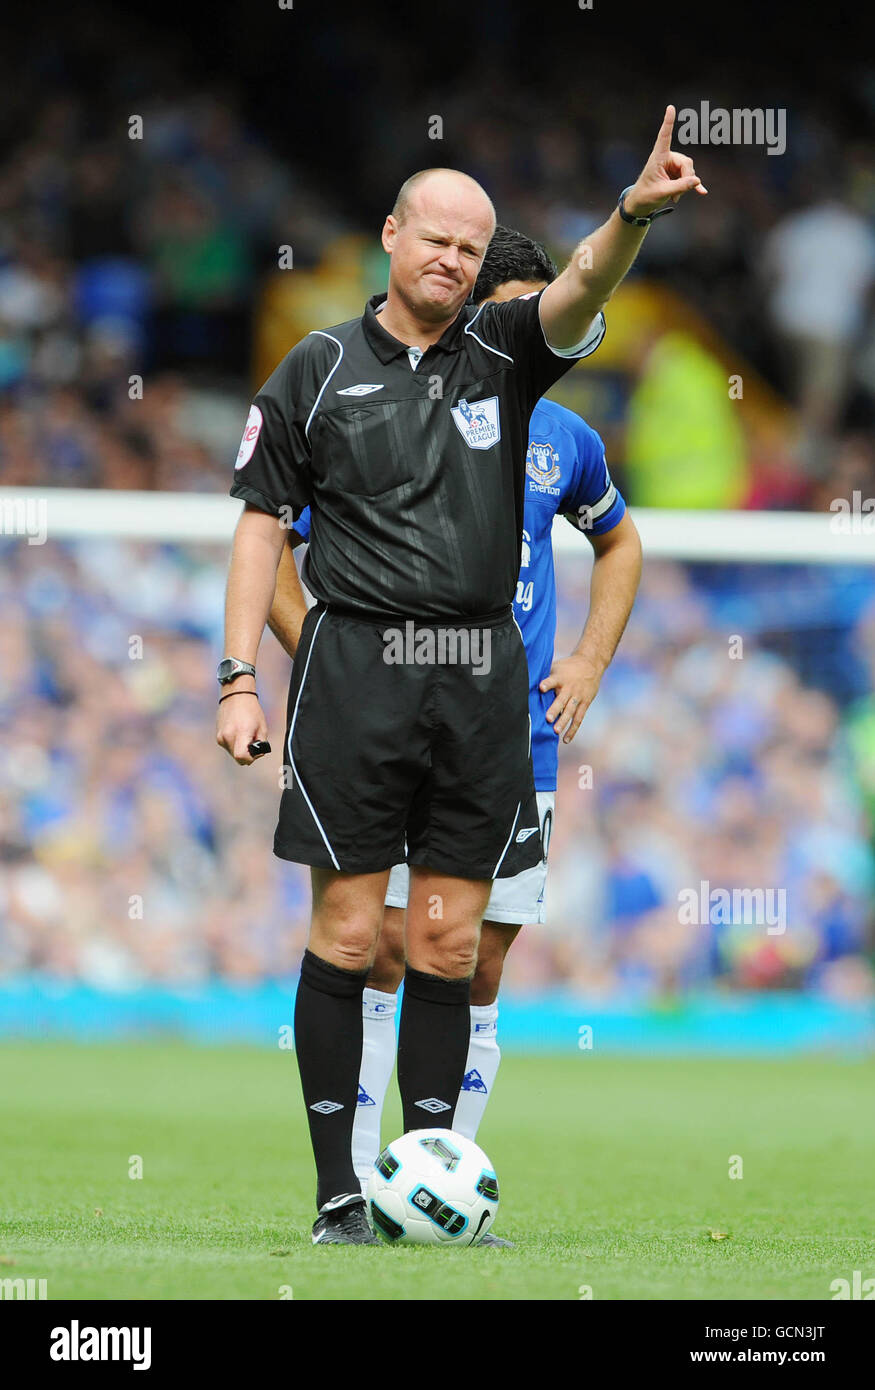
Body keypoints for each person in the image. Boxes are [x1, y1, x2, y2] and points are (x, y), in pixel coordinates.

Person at [217, 107, 705, 1245]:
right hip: (354, 669)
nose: (450, 259)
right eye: (432, 238)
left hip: (480, 675)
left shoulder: (507, 354)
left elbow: (582, 283)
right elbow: (256, 531)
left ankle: (426, 1176)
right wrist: (240, 677)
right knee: (346, 936)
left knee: (444, 942)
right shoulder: (315, 369)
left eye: (470, 248)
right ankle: (340, 1197)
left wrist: (628, 215)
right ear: (389, 236)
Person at [268, 226, 642, 1246]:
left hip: (511, 736)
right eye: (499, 314)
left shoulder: (562, 437)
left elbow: (619, 541)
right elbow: (276, 549)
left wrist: (589, 661)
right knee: (375, 945)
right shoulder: (391, 411)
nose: (513, 336)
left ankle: (443, 1187)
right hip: (386, 722)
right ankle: (349, 1186)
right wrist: (335, 669)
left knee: (473, 961)